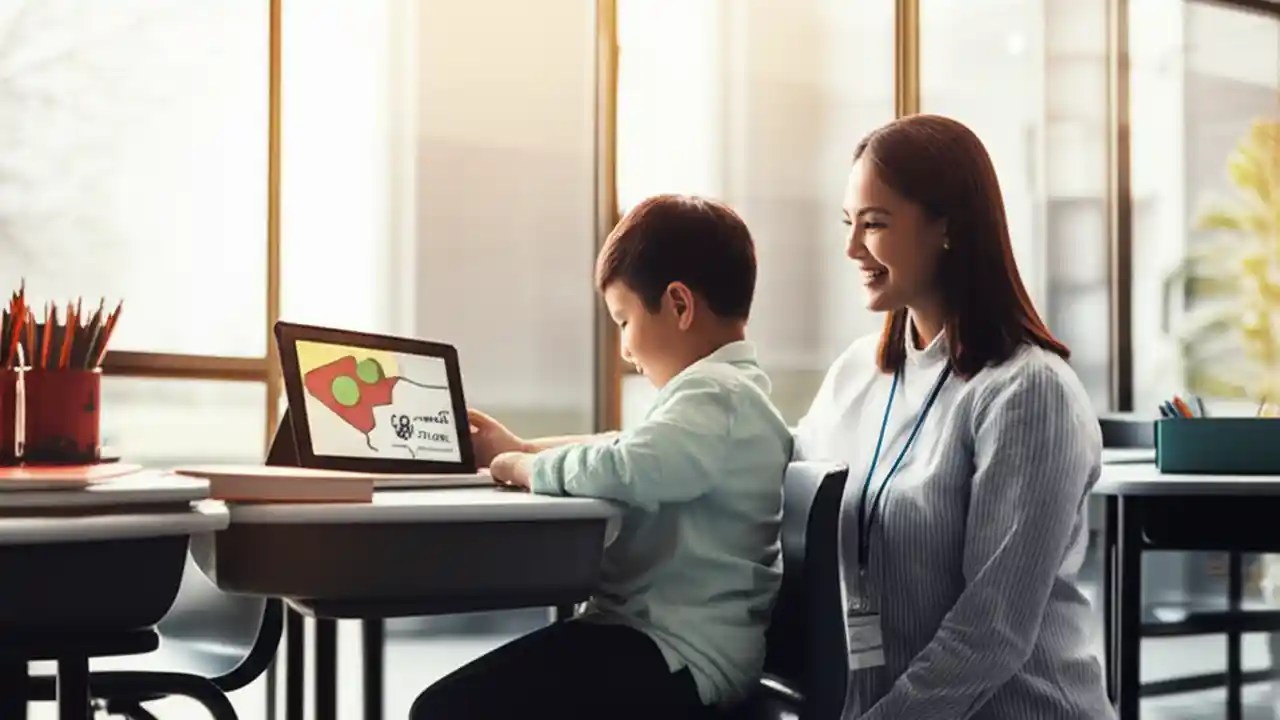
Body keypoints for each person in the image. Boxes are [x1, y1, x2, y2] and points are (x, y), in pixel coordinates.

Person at [410, 194, 793, 720]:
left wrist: (521, 469)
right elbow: (617, 445)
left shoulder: (718, 394)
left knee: (445, 710)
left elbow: (630, 464)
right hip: (659, 640)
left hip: (680, 655)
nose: (624, 350)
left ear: (679, 306)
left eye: (623, 321)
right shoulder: (722, 396)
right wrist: (521, 449)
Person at [794, 114, 1114, 719]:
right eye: (849, 224)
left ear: (947, 227)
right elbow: (782, 475)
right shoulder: (860, 372)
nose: (852, 247)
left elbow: (990, 632)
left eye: (876, 224)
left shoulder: (1029, 393)